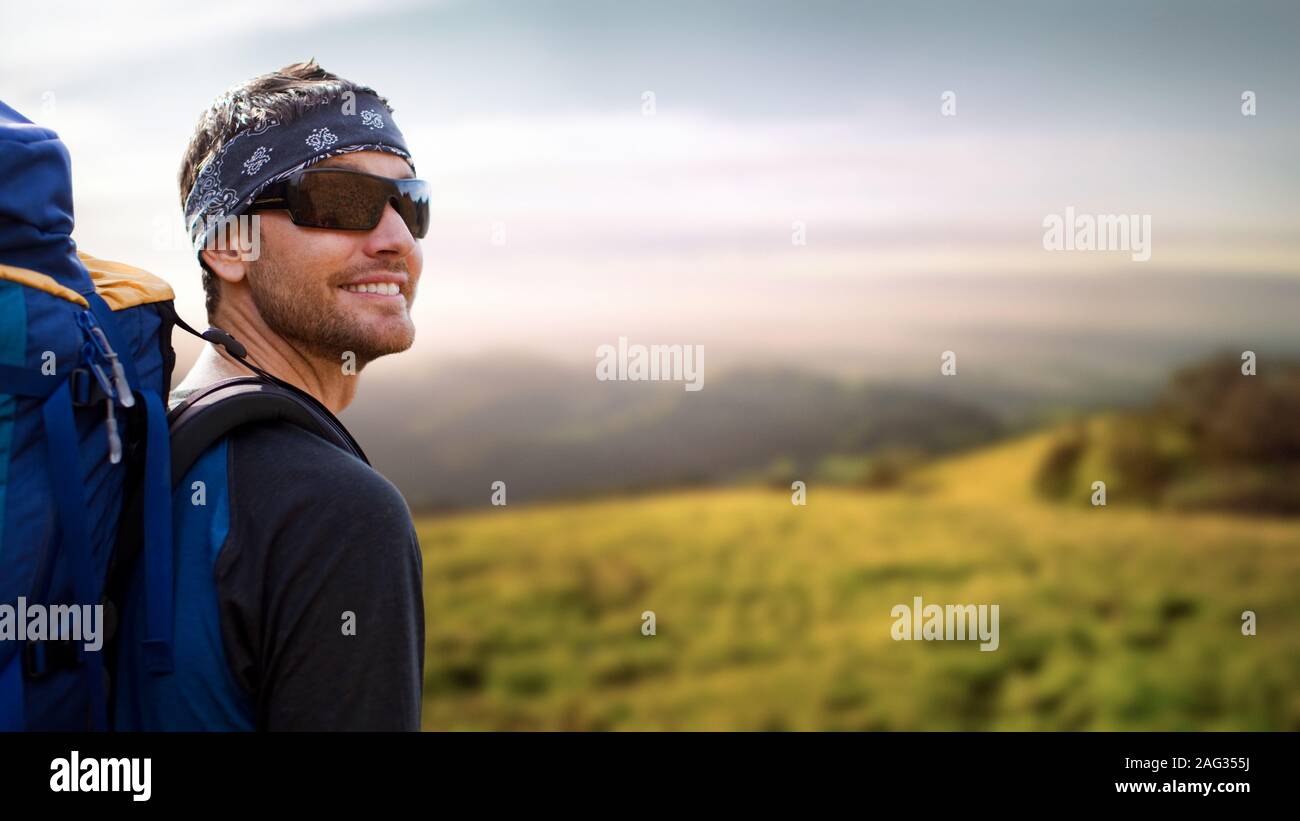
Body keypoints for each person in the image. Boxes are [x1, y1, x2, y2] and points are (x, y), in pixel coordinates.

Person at [112, 60, 427, 730]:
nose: (398, 240)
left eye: (411, 203)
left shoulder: (144, 445)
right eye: (342, 200)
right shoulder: (340, 511)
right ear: (229, 244)